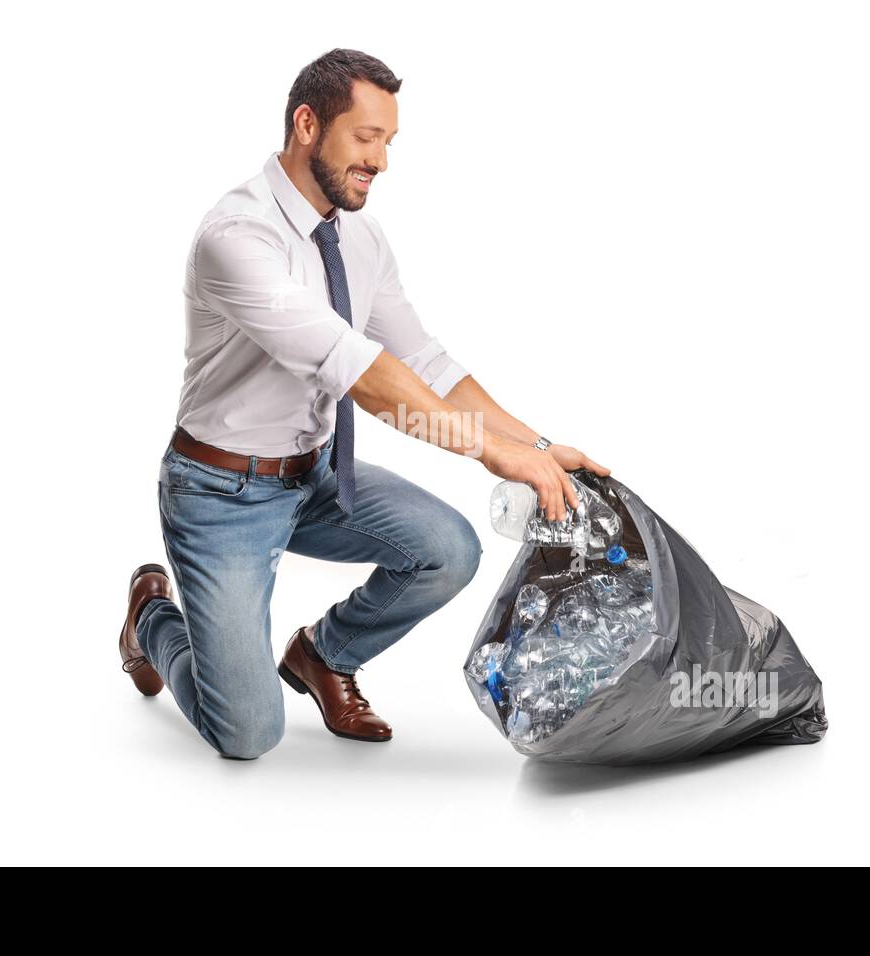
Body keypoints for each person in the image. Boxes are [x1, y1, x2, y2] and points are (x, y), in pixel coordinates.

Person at [117, 48, 610, 760]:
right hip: (221, 494)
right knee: (246, 734)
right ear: (307, 125)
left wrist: (532, 446)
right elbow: (360, 374)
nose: (380, 161)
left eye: (389, 142)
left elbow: (424, 361)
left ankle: (324, 654)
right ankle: (151, 619)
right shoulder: (238, 237)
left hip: (315, 477)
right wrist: (490, 453)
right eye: (366, 138)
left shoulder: (359, 238)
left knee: (448, 551)